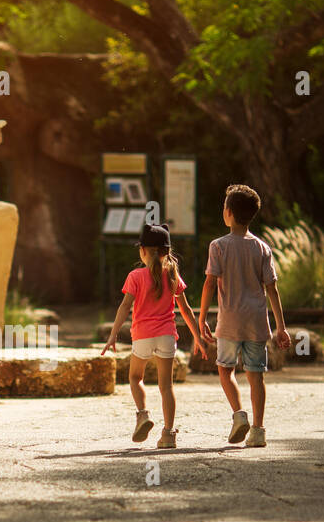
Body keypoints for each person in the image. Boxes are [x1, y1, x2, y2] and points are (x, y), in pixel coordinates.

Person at [198, 185, 291, 448]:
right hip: (256, 323)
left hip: (229, 322)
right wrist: (281, 327)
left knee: (225, 370)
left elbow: (209, 284)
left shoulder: (218, 246)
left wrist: (202, 316)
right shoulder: (262, 248)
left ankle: (239, 415)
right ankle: (259, 430)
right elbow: (272, 288)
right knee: (256, 376)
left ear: (228, 213)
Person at [101, 224, 208, 448]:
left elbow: (124, 307)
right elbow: (186, 310)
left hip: (142, 336)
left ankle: (142, 414)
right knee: (166, 387)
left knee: (135, 378)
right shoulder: (173, 275)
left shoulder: (135, 276)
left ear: (142, 250)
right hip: (167, 336)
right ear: (166, 252)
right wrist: (197, 337)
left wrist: (112, 336)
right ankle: (168, 434)